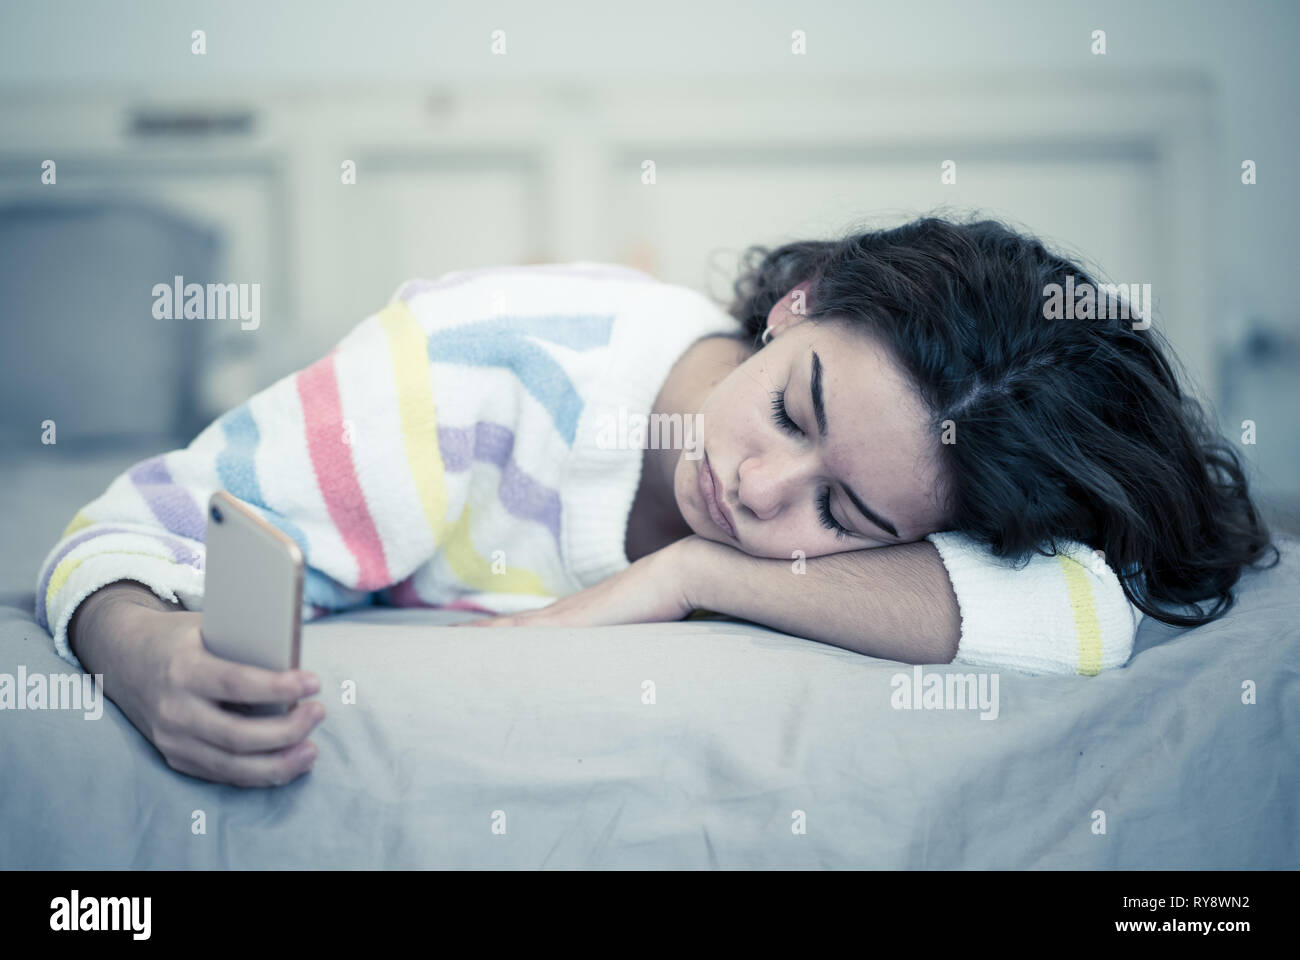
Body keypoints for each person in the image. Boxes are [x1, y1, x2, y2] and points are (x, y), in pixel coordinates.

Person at [39, 214, 1277, 787]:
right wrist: (139, 647)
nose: (754, 489)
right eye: (795, 410)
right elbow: (113, 535)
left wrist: (692, 577)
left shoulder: (875, 490)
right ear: (800, 303)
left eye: (844, 518)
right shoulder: (474, 371)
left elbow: (1083, 612)